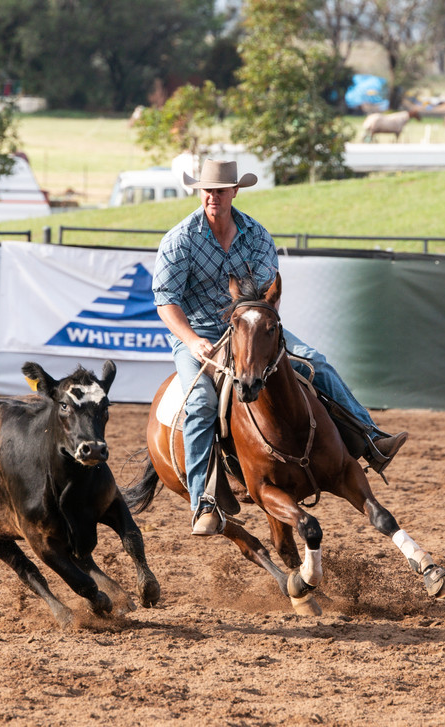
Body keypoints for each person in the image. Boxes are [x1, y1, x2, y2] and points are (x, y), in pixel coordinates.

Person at [151, 158, 408, 537]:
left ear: (234, 192)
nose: (213, 197)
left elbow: (267, 296)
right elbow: (165, 300)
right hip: (201, 335)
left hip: (251, 328)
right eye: (207, 190)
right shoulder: (180, 239)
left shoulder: (255, 234)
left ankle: (369, 438)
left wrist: (256, 330)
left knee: (314, 363)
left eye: (220, 190)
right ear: (199, 192)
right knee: (201, 403)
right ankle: (203, 502)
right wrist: (191, 340)